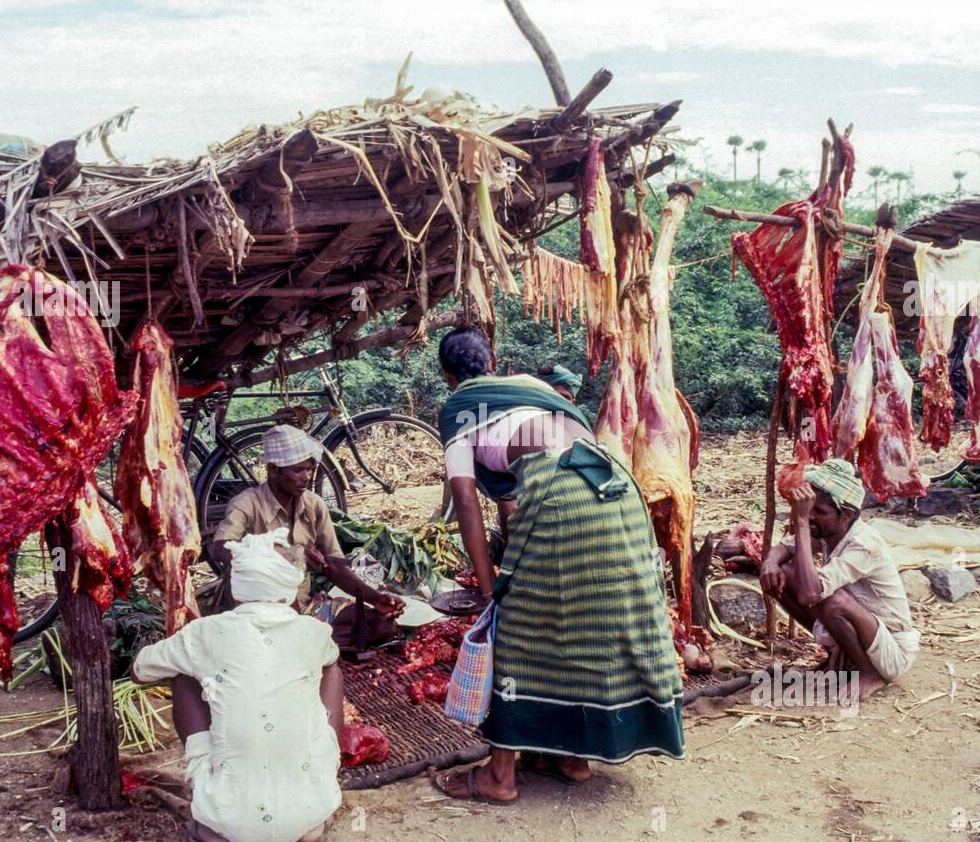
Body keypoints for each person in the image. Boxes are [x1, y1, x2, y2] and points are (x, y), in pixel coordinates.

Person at [432, 326, 684, 803]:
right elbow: (513, 499)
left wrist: (491, 591)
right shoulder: (533, 387)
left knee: (517, 628)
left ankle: (500, 776)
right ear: (494, 358)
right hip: (616, 491)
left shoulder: (458, 409)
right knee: (587, 618)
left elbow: (466, 500)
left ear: (447, 375)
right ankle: (571, 757)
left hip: (560, 497)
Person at [132, 529, 343, 842]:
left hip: (225, 818)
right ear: (290, 589)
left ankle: (214, 817)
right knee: (332, 669)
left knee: (183, 673)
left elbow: (140, 671)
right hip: (307, 811)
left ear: (236, 587)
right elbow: (329, 658)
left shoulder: (205, 632)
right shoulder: (314, 632)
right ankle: (311, 808)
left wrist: (194, 654)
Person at [757, 459, 919, 701]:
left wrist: (800, 521)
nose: (811, 517)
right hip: (866, 637)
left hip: (892, 651)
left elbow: (811, 594)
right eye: (809, 509)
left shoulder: (863, 544)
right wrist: (769, 564)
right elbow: (785, 548)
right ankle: (840, 655)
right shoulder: (828, 530)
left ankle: (870, 674)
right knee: (783, 574)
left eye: (819, 511)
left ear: (848, 514)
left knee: (832, 601)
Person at [210, 424, 403, 617]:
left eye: (310, 470)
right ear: (273, 470)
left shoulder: (314, 505)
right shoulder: (247, 503)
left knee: (377, 623)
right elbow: (220, 548)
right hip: (256, 608)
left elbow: (335, 566)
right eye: (298, 470)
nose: (307, 477)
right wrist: (289, 556)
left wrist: (375, 598)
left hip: (302, 604)